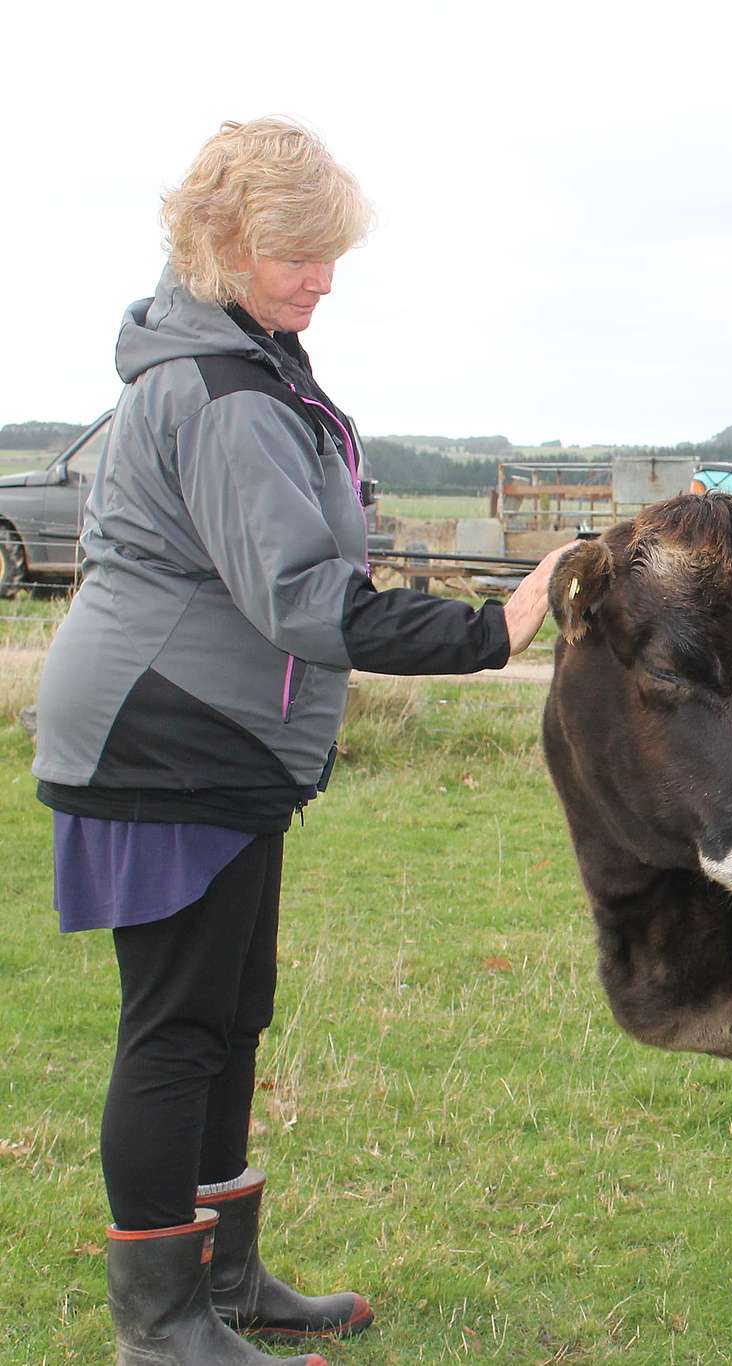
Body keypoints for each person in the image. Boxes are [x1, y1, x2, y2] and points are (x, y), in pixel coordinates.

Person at [30, 118, 571, 1366]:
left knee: (231, 1012)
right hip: (161, 736)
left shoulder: (249, 357)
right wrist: (495, 627)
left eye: (329, 256)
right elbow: (306, 600)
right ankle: (162, 1324)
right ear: (220, 243)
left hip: (214, 738)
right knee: (175, 1026)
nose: (322, 279)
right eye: (298, 255)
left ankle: (223, 1281)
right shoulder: (221, 391)